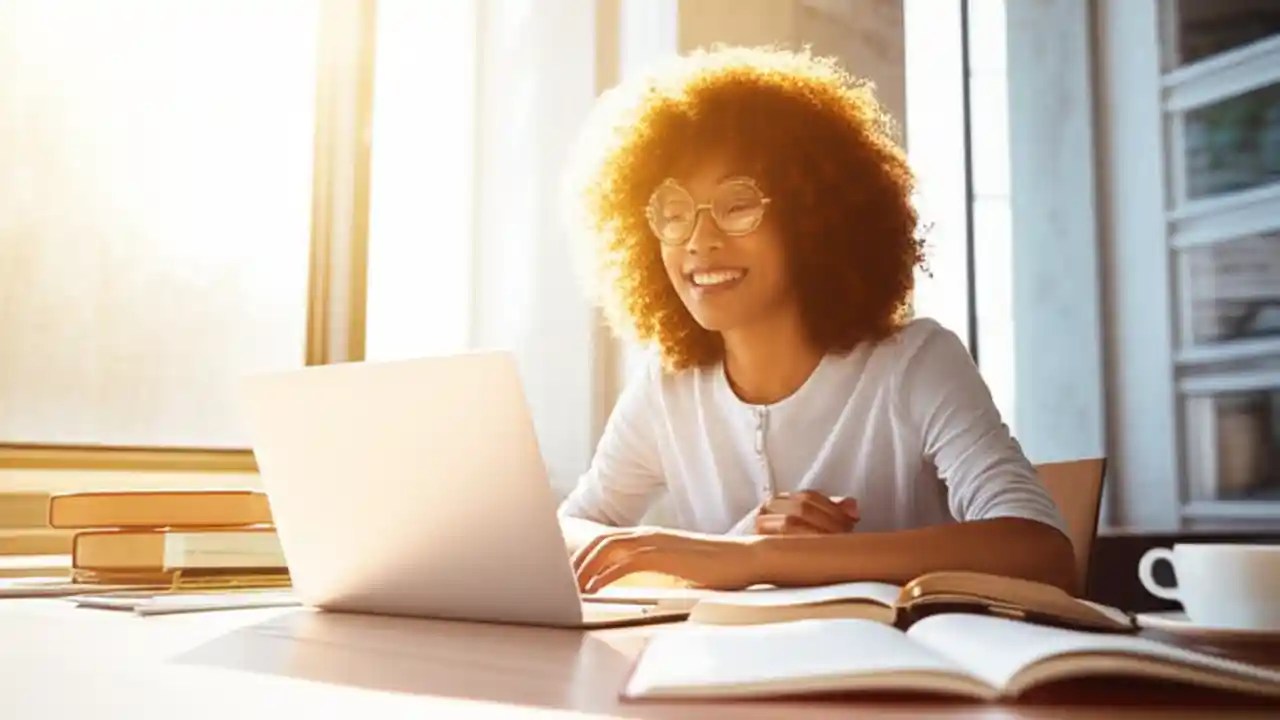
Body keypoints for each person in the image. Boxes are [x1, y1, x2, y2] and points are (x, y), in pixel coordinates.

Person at [558, 46, 1074, 594]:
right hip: (727, 676)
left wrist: (763, 559)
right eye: (674, 213)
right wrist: (737, 546)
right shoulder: (668, 388)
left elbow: (1041, 552)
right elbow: (566, 534)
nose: (699, 240)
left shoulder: (915, 363)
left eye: (737, 206)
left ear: (813, 219)